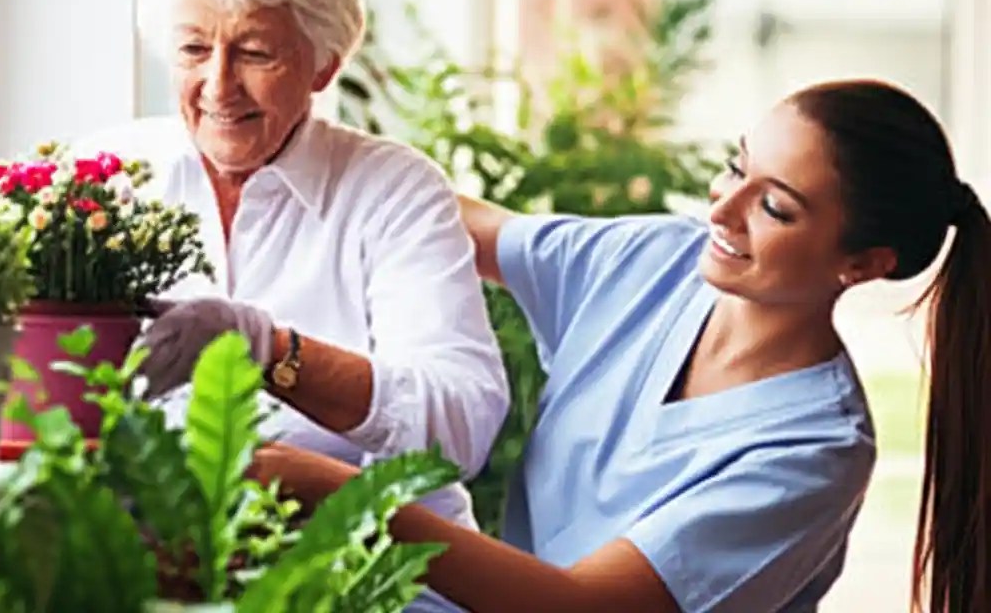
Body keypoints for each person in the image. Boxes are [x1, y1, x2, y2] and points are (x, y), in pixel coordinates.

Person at [246, 79, 991, 612]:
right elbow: (440, 219)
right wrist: (282, 132)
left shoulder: (812, 450)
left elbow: (581, 606)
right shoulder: (658, 263)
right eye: (736, 166)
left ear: (863, 264)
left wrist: (343, 495)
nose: (722, 209)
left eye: (773, 207)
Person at [78, 0, 509, 610]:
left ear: (324, 62)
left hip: (370, 578)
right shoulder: (105, 177)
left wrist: (270, 348)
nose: (217, 86)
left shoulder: (393, 191)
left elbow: (459, 426)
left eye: (254, 51)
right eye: (192, 49)